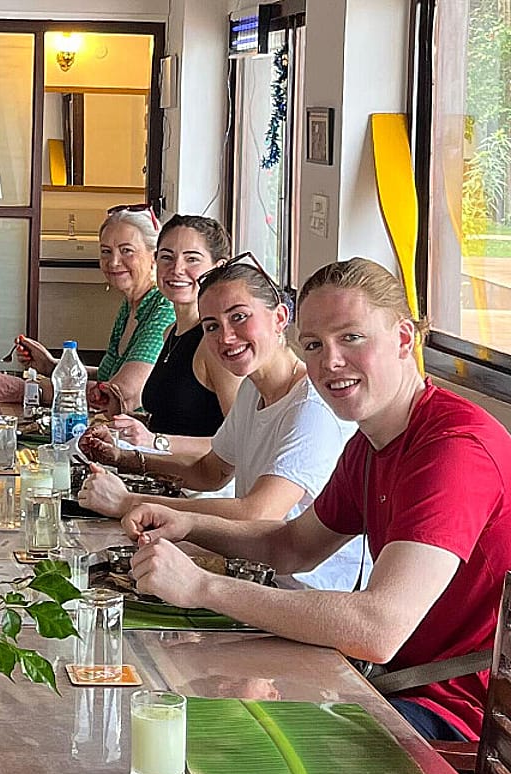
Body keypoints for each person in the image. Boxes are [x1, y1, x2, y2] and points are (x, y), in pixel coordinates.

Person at [123, 257, 511, 742]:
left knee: (215, 735)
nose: (330, 361)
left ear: (404, 339)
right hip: (391, 685)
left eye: (351, 338)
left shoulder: (453, 448)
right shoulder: (369, 445)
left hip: (459, 714)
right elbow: (292, 546)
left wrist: (202, 587)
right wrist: (189, 526)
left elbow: (378, 627)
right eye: (314, 345)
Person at [78, 254, 363, 590]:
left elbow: (259, 513)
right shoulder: (252, 390)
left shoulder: (312, 407)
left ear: (280, 318)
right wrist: (125, 460)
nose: (226, 337)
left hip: (303, 590)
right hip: (253, 571)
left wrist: (130, 502)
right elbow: (210, 472)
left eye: (239, 317)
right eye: (212, 326)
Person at [0, 206, 176, 413]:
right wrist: (52, 366)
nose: (113, 262)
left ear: (154, 256)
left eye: (126, 251)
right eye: (106, 251)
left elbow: (121, 394)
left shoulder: (163, 308)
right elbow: (108, 376)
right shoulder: (130, 306)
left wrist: (28, 389)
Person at [123, 214, 242, 438]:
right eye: (167, 257)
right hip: (157, 468)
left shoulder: (217, 343)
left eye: (192, 259)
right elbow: (172, 421)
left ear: (219, 267)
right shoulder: (172, 331)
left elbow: (236, 446)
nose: (177, 269)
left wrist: (153, 442)